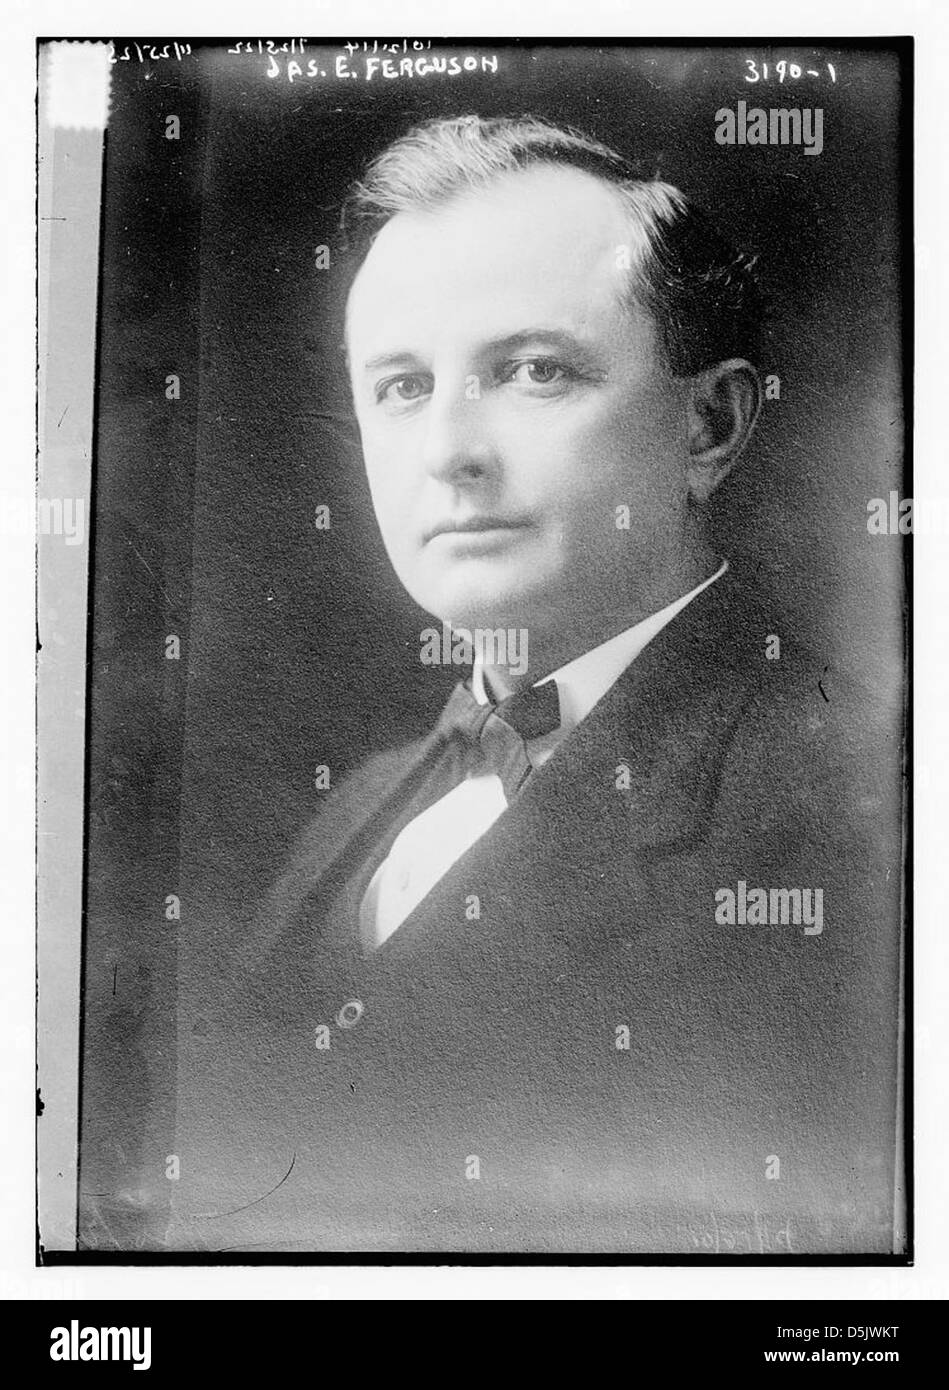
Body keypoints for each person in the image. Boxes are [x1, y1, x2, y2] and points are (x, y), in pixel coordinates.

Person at [180, 116, 903, 1254]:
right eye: (404, 386)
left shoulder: (867, 807)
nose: (448, 451)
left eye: (532, 371)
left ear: (708, 423)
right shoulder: (358, 805)